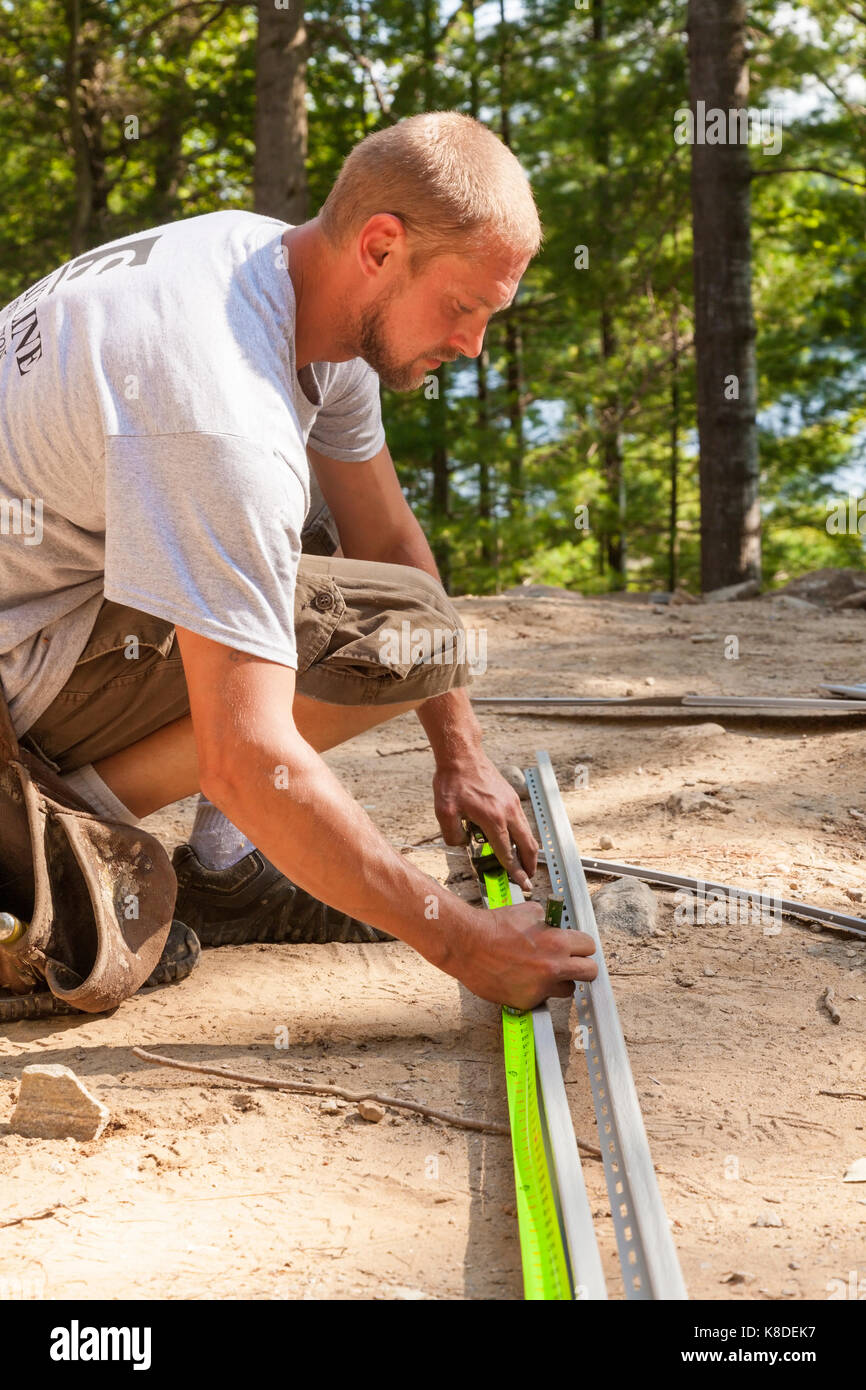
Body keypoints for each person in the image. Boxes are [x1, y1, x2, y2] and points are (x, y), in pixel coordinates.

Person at [0, 111, 597, 1016]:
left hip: (44, 598)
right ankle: (45, 835)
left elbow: (388, 543)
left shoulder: (273, 271)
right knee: (280, 541)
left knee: (412, 629)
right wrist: (463, 942)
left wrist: (461, 756)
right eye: (465, 307)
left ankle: (227, 871)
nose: (472, 345)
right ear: (382, 245)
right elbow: (249, 757)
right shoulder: (218, 411)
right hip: (17, 669)